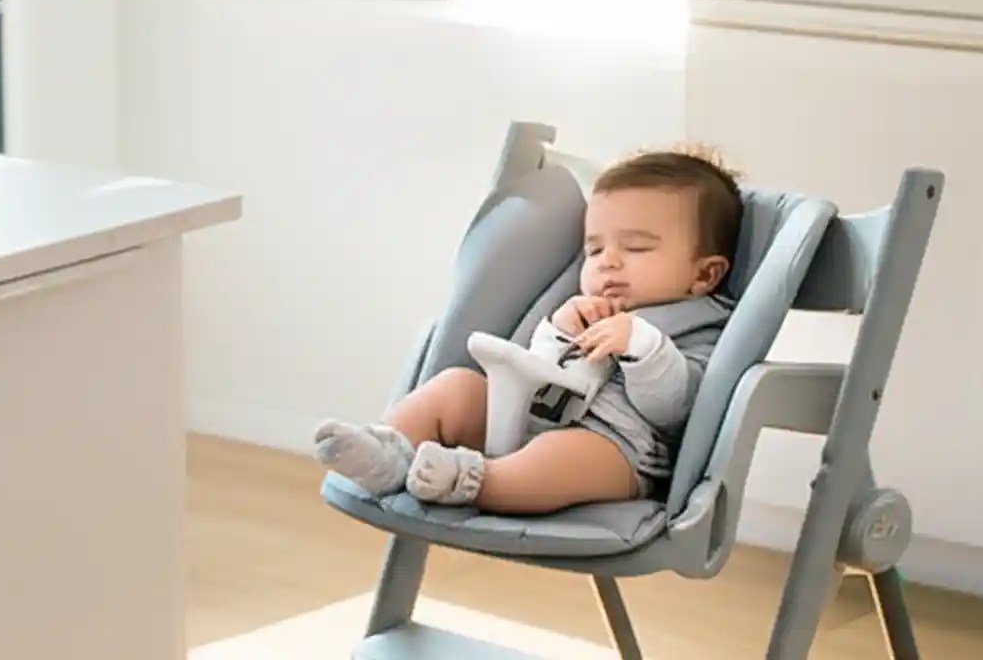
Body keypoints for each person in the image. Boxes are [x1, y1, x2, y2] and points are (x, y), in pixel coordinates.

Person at [314, 143, 744, 514]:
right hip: (528, 416)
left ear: (704, 275)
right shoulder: (588, 309)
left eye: (635, 247)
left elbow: (675, 408)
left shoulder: (701, 325)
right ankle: (389, 453)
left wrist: (643, 346)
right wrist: (559, 332)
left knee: (567, 455)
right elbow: (541, 369)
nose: (608, 262)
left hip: (615, 450)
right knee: (457, 386)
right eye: (594, 250)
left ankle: (473, 480)